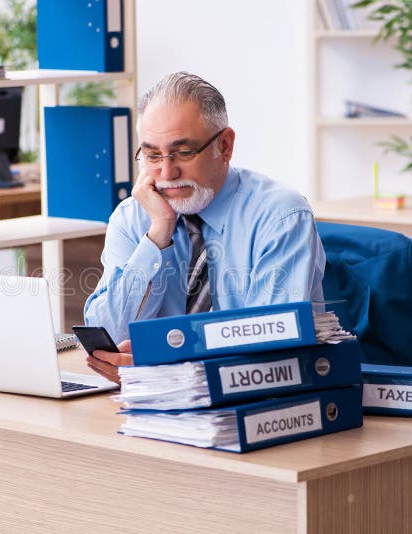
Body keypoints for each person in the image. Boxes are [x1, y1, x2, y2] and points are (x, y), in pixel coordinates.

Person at [83, 72, 325, 383]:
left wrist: (169, 371)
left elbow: (274, 346)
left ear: (225, 146)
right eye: (153, 155)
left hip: (262, 400)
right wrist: (157, 235)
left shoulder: (281, 216)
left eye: (184, 152)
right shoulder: (132, 218)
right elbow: (107, 340)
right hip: (146, 402)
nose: (166, 173)